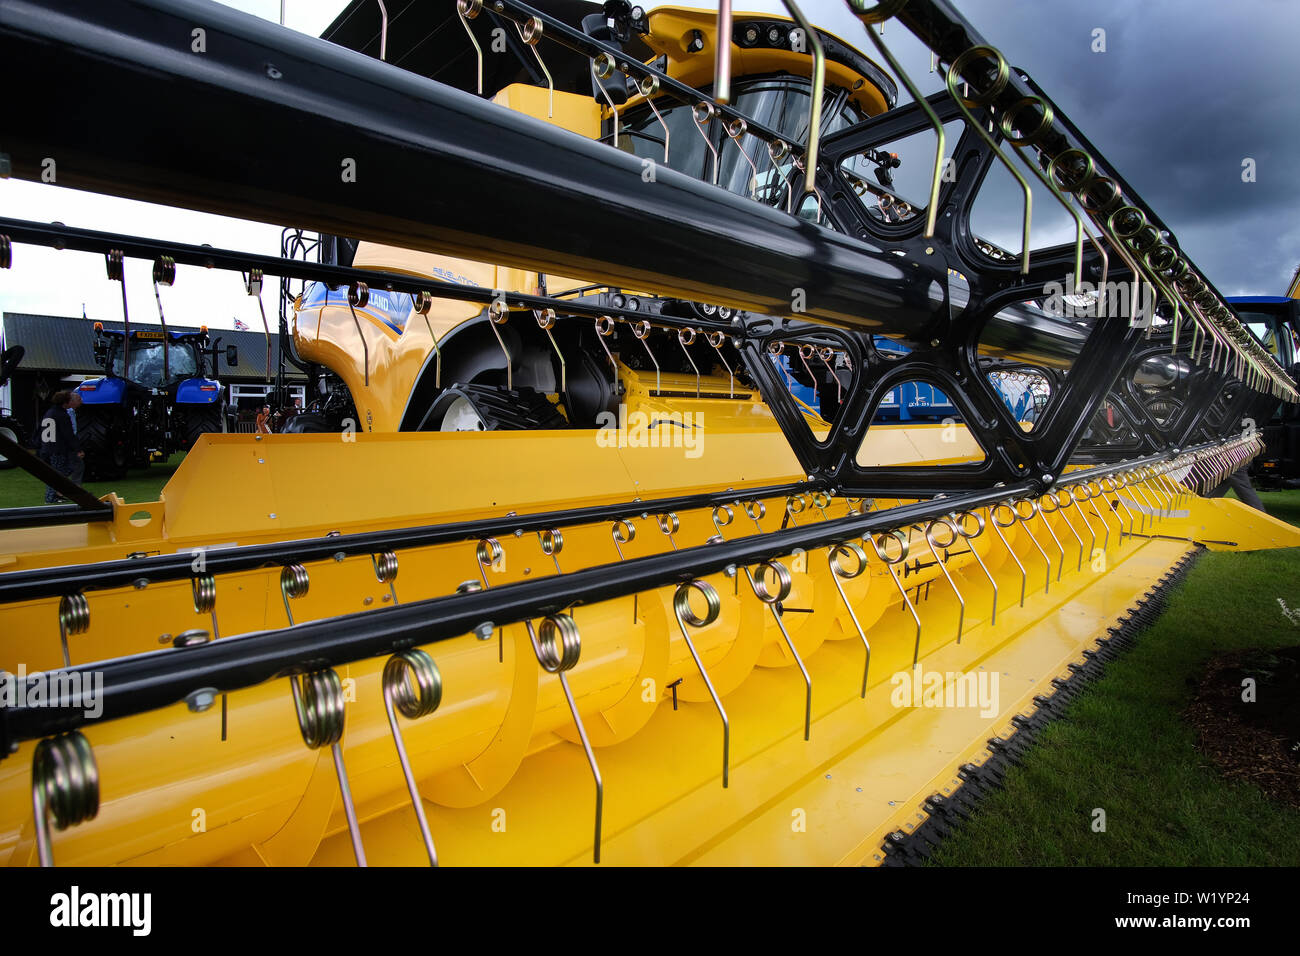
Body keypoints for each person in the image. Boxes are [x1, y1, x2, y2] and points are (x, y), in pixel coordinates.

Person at [36, 390, 83, 504]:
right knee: (59, 474)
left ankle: (55, 494)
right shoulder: (62, 415)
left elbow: (38, 431)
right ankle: (51, 497)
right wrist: (78, 449)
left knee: (58, 473)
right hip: (57, 449)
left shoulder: (49, 413)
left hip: (46, 448)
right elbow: (68, 434)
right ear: (65, 402)